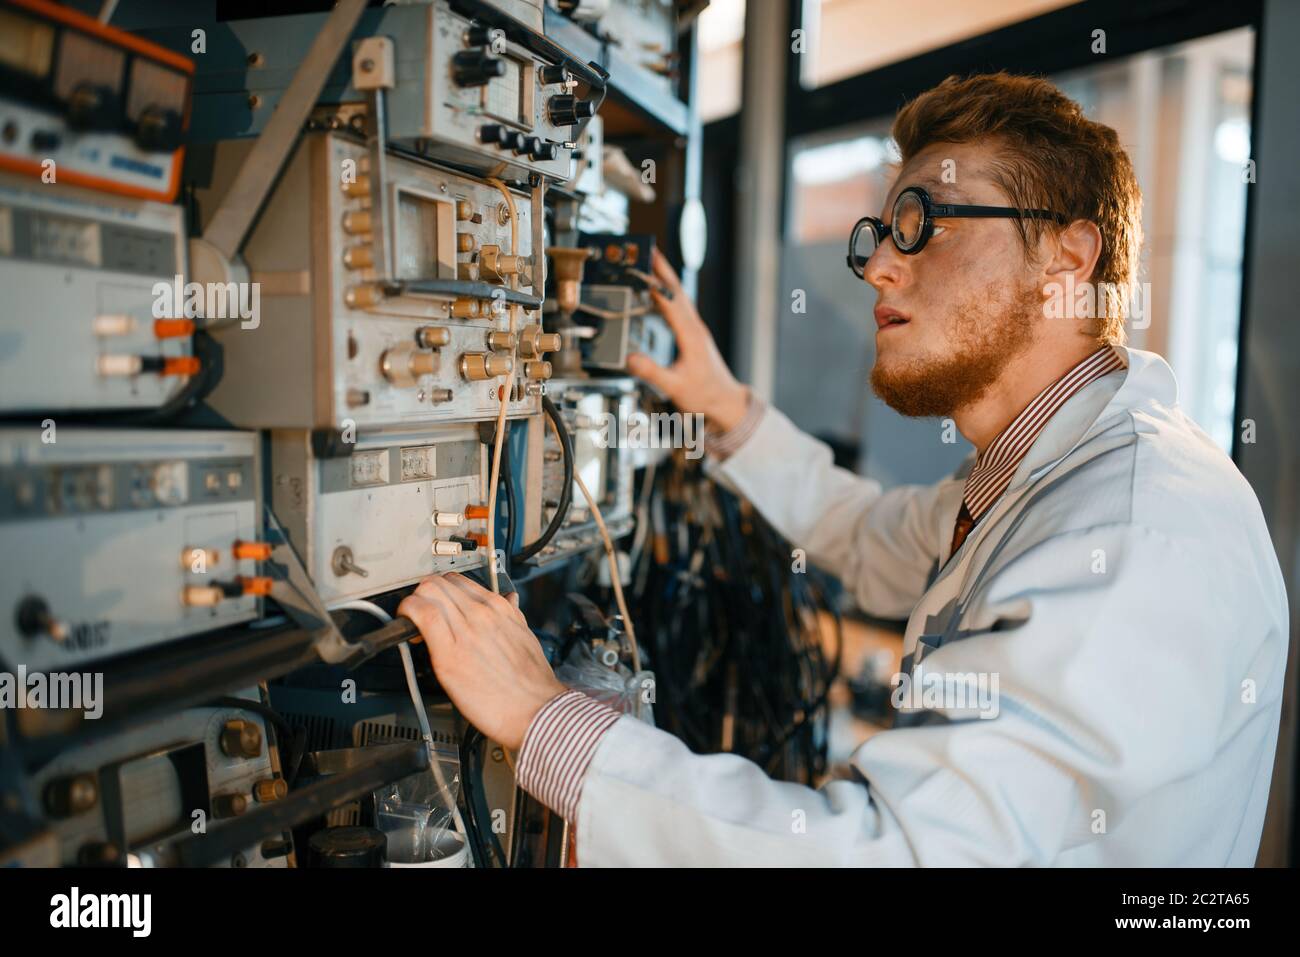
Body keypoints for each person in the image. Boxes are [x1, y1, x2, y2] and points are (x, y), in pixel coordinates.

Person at [399, 73, 1288, 866]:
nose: (880, 268)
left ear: (1067, 256)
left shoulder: (1134, 528)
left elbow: (896, 850)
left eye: (922, 224)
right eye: (881, 231)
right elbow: (862, 534)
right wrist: (725, 407)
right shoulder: (1035, 480)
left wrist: (542, 718)